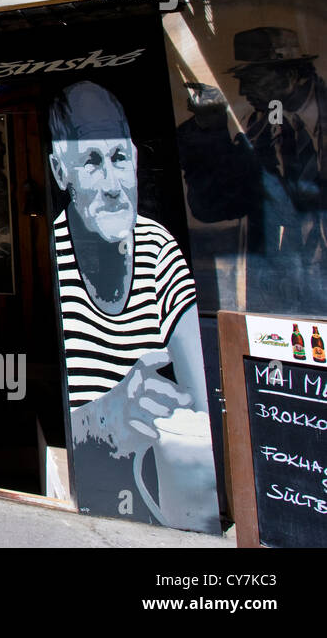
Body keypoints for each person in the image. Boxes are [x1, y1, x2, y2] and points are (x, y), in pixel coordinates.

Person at [49, 81, 219, 532]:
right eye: (90, 162)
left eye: (119, 158)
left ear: (136, 160)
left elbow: (204, 414)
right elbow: (46, 413)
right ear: (59, 172)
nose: (112, 185)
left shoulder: (159, 248)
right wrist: (111, 415)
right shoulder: (51, 253)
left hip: (167, 500)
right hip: (88, 498)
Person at [176, 26, 326, 315]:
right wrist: (210, 131)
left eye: (253, 80)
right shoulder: (258, 125)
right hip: (269, 292)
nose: (243, 91)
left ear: (290, 75)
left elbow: (293, 203)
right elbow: (211, 206)